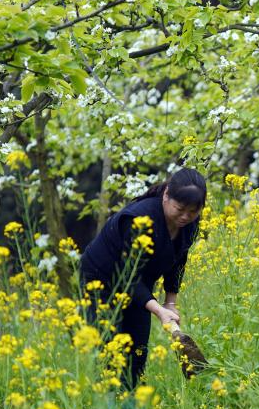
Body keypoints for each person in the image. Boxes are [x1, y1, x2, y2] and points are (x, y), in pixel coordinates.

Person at [80, 168, 206, 392]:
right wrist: (158, 311)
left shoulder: (189, 225)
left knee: (137, 351)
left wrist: (170, 303)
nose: (186, 216)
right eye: (180, 209)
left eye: (193, 211)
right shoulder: (139, 220)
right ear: (166, 195)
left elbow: (178, 258)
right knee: (109, 351)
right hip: (102, 280)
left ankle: (132, 408)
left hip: (140, 283)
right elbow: (126, 275)